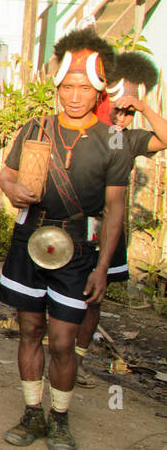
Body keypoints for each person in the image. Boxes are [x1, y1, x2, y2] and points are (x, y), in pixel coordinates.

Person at [0, 28, 130, 450]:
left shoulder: (113, 141)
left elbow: (114, 212)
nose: (74, 95)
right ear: (57, 87)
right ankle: (32, 411)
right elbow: (7, 172)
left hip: (79, 246)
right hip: (30, 235)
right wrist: (10, 189)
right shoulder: (35, 128)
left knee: (62, 340)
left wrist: (102, 268)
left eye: (84, 87)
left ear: (99, 90)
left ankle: (60, 418)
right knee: (30, 329)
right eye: (68, 86)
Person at [73, 52, 166, 381]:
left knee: (94, 298)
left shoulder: (131, 140)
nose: (123, 117)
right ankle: (57, 353)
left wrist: (143, 108)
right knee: (65, 291)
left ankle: (77, 360)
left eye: (130, 111)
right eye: (119, 108)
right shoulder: (81, 132)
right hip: (72, 228)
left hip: (107, 230)